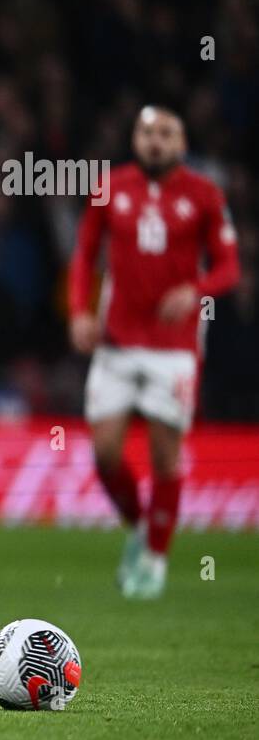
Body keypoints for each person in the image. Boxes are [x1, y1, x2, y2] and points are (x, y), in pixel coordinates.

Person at [68, 105, 239, 598]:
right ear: (134, 139)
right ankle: (142, 528)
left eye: (166, 133)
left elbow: (230, 267)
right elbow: (83, 255)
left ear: (182, 144)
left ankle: (156, 561)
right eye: (146, 132)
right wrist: (80, 311)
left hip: (174, 346)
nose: (155, 141)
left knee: (166, 458)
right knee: (104, 454)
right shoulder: (109, 187)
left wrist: (198, 289)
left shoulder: (205, 194)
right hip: (117, 341)